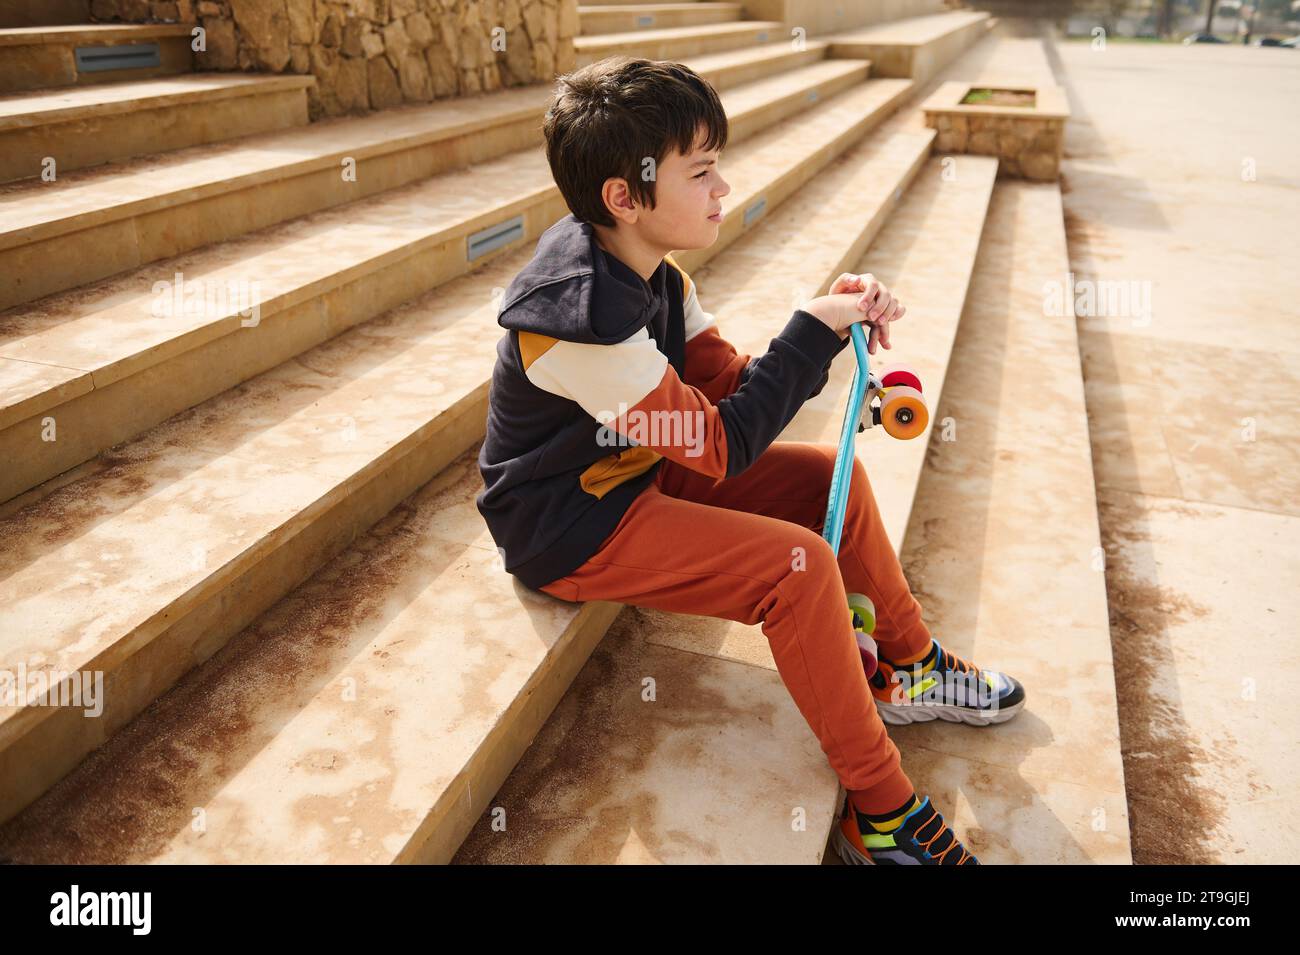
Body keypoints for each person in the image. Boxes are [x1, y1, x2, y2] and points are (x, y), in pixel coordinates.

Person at [476, 56, 1025, 865]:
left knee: (822, 474)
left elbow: (728, 394)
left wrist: (828, 327)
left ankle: (907, 664)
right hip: (568, 522)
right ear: (624, 197)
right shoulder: (575, 321)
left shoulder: (653, 271)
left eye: (717, 166)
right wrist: (810, 329)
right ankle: (883, 812)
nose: (722, 188)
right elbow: (723, 446)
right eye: (701, 171)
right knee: (795, 567)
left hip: (638, 468)